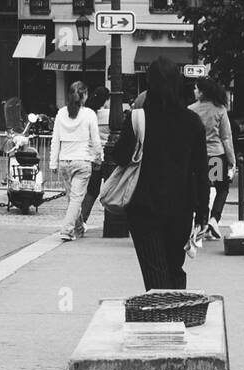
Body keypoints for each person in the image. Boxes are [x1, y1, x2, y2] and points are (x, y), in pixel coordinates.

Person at [110, 57, 208, 289]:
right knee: (175, 267)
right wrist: (203, 214)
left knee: (155, 272)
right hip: (180, 208)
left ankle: (162, 315)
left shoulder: (138, 119)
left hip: (143, 207)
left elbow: (120, 157)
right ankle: (177, 312)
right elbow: (201, 172)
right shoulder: (192, 122)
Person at [50, 80, 102, 242]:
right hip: (83, 160)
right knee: (76, 198)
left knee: (72, 198)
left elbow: (55, 139)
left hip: (65, 160)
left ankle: (78, 227)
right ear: (84, 95)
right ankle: (67, 229)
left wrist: (53, 162)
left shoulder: (61, 113)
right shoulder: (89, 114)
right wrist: (99, 157)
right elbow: (95, 140)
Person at [188, 76, 237, 241]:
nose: (194, 91)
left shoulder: (191, 110)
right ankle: (214, 219)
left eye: (196, 89)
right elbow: (226, 137)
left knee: (203, 190)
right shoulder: (220, 110)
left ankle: (200, 223)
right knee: (221, 188)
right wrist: (231, 160)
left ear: (202, 92)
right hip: (216, 156)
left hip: (197, 158)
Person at [79, 86, 113, 228]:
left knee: (92, 191)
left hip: (92, 156)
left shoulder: (88, 114)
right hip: (108, 156)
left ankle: (82, 219)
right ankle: (113, 220)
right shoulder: (110, 114)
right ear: (107, 100)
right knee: (112, 189)